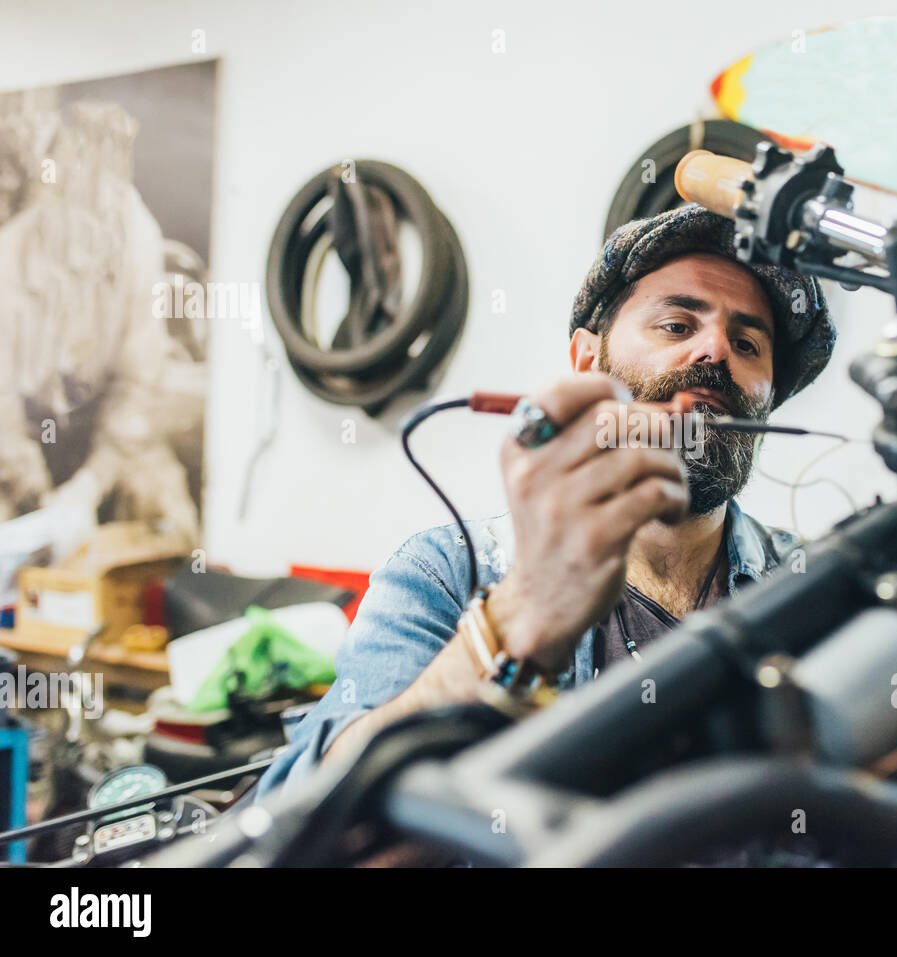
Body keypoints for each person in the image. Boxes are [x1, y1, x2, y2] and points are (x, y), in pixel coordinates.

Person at [257, 204, 835, 823]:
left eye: (747, 342)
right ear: (589, 362)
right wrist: (522, 616)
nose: (715, 350)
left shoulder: (814, 587)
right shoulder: (445, 574)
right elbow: (294, 828)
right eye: (675, 325)